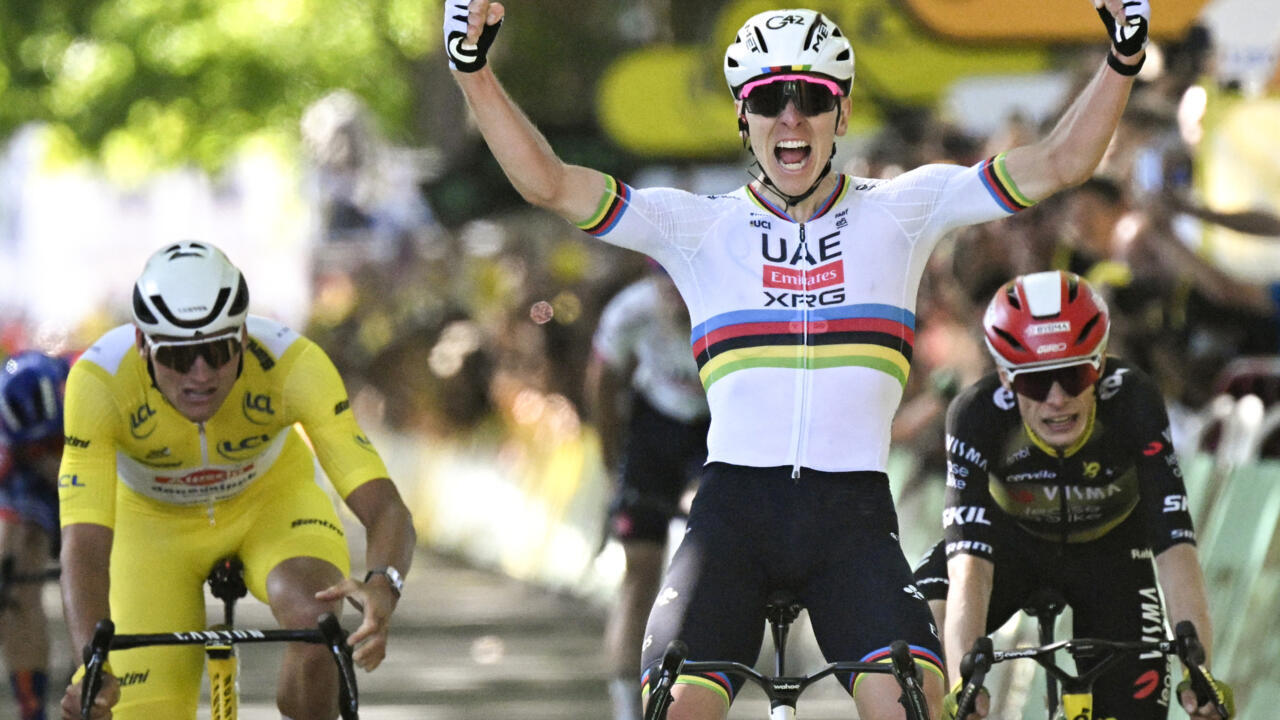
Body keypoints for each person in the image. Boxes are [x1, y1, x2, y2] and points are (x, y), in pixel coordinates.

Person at [445, 0, 1151, 716]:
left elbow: (1062, 162)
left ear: (840, 117)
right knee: (678, 706)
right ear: (742, 120)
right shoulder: (697, 225)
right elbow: (550, 183)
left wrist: (1124, 56)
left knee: (913, 700)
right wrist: (472, 72)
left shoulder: (905, 209)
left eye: (811, 98)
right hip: (732, 520)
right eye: (768, 100)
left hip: (852, 521)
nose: (790, 117)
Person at [57, 241, 417, 719]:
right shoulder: (100, 382)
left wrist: (383, 583)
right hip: (152, 524)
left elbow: (385, 507)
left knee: (318, 626)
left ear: (244, 336)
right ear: (143, 344)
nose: (201, 374)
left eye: (219, 351)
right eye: (180, 358)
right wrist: (92, 661)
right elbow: (84, 544)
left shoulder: (294, 365)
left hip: (269, 504)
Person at [913, 270, 1234, 720]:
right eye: (1036, 383)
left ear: (1099, 364)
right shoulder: (975, 415)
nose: (1058, 398)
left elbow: (1173, 543)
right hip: (1009, 546)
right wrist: (966, 682)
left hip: (1113, 551)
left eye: (1073, 373)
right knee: (914, 638)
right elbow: (970, 566)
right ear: (1006, 377)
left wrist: (1198, 670)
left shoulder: (1133, 400)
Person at [584, 268, 710, 720]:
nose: (677, 298)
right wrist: (611, 466)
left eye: (685, 287)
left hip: (713, 428)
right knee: (639, 572)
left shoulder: (728, 293)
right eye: (667, 287)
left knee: (705, 571)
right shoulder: (632, 308)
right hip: (654, 425)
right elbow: (601, 380)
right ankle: (624, 706)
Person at [0, 351, 72, 720]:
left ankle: (95, 682)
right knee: (13, 579)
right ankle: (31, 706)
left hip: (95, 467)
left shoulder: (87, 382)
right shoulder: (7, 443)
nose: (44, 452)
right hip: (28, 486)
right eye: (34, 445)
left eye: (48, 441)